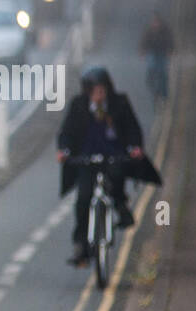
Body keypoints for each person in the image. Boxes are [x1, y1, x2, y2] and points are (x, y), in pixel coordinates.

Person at [56, 66, 160, 264]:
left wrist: (135, 147)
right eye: (94, 90)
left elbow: (132, 128)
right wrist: (64, 151)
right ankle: (80, 245)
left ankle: (121, 206)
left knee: (116, 174)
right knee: (83, 199)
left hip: (114, 155)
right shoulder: (79, 105)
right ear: (87, 91)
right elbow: (66, 133)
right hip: (87, 159)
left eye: (102, 89)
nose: (99, 93)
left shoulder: (119, 103)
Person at [139, 11, 174, 103]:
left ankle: (164, 94)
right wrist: (142, 51)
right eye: (154, 22)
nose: (155, 24)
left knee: (163, 73)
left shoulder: (166, 30)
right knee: (151, 67)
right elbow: (144, 41)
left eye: (157, 22)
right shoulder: (148, 31)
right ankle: (150, 82)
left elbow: (170, 41)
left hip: (162, 52)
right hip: (152, 53)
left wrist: (170, 51)